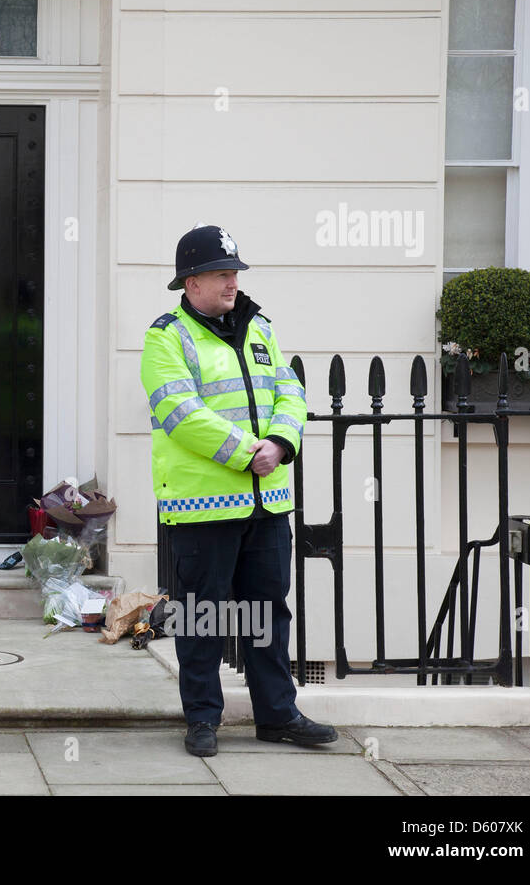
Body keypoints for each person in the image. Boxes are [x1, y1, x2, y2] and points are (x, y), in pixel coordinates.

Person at [140, 224, 337, 757]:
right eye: (222, 274)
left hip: (267, 502)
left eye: (234, 273)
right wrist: (249, 452)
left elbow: (290, 391)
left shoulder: (260, 327)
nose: (232, 283)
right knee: (201, 615)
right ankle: (202, 720)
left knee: (269, 611)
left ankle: (278, 715)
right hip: (202, 505)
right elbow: (180, 413)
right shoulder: (166, 337)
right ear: (191, 282)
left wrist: (280, 442)